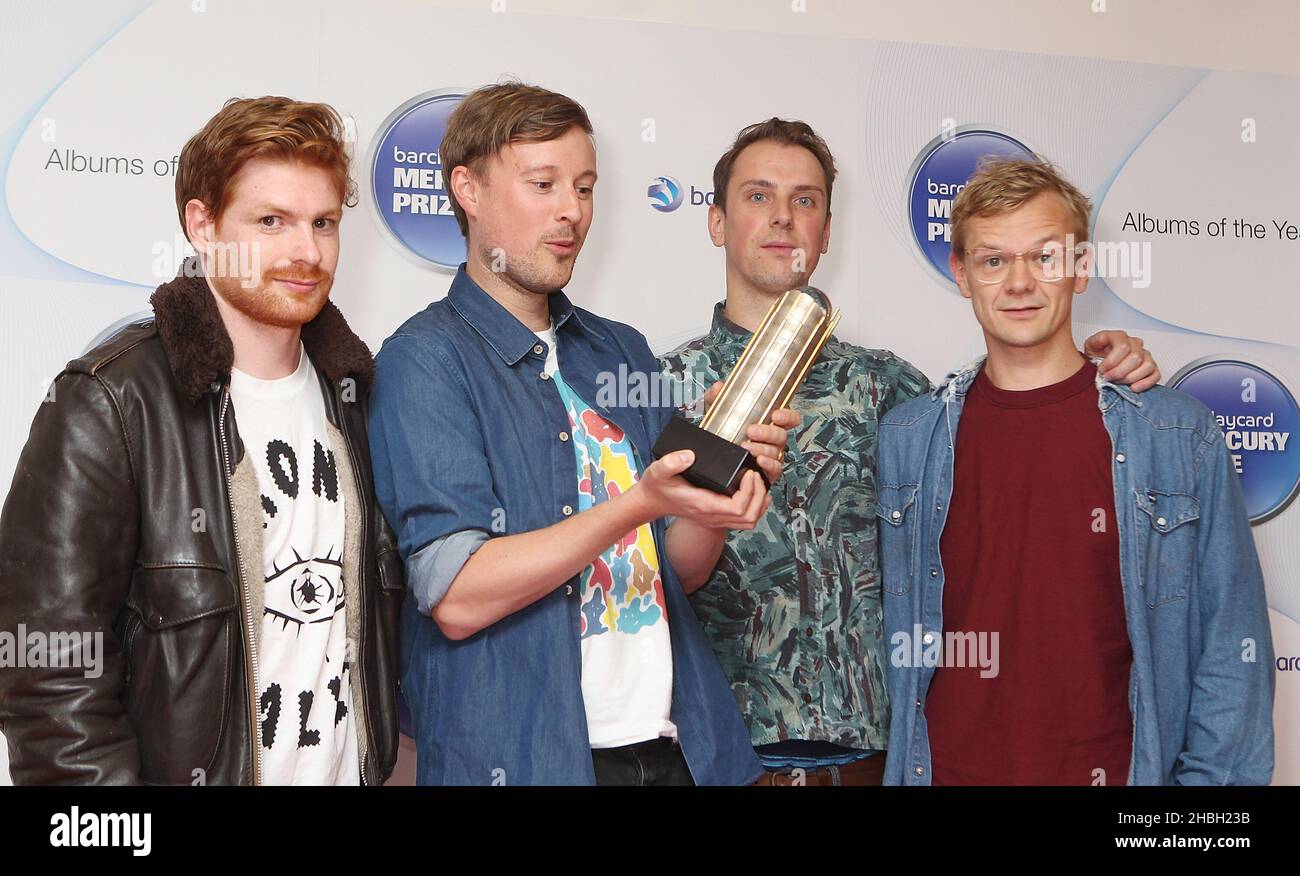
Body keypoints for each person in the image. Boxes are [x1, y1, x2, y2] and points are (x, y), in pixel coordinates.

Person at [660, 119, 1162, 786]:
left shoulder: (891, 389)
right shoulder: (659, 388)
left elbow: (1014, 412)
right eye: (758, 196)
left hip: (879, 761)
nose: (783, 217)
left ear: (828, 230)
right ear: (716, 221)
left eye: (805, 200)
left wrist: (1098, 362)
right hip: (717, 759)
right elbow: (639, 579)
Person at [368, 82, 795, 786]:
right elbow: (457, 596)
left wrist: (717, 486)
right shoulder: (424, 361)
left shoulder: (620, 351)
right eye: (544, 184)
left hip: (678, 751)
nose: (572, 210)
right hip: (528, 760)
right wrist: (641, 501)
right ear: (467, 190)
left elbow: (679, 568)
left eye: (586, 187)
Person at [0, 96, 403, 785]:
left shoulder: (357, 396)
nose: (306, 251)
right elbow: (48, 675)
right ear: (203, 224)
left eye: (323, 223)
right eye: (271, 221)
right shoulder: (111, 401)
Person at [878, 155, 1274, 785]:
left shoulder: (1173, 434)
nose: (1019, 283)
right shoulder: (907, 436)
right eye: (993, 260)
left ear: (1082, 268)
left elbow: (1232, 647)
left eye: (1045, 257)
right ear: (960, 273)